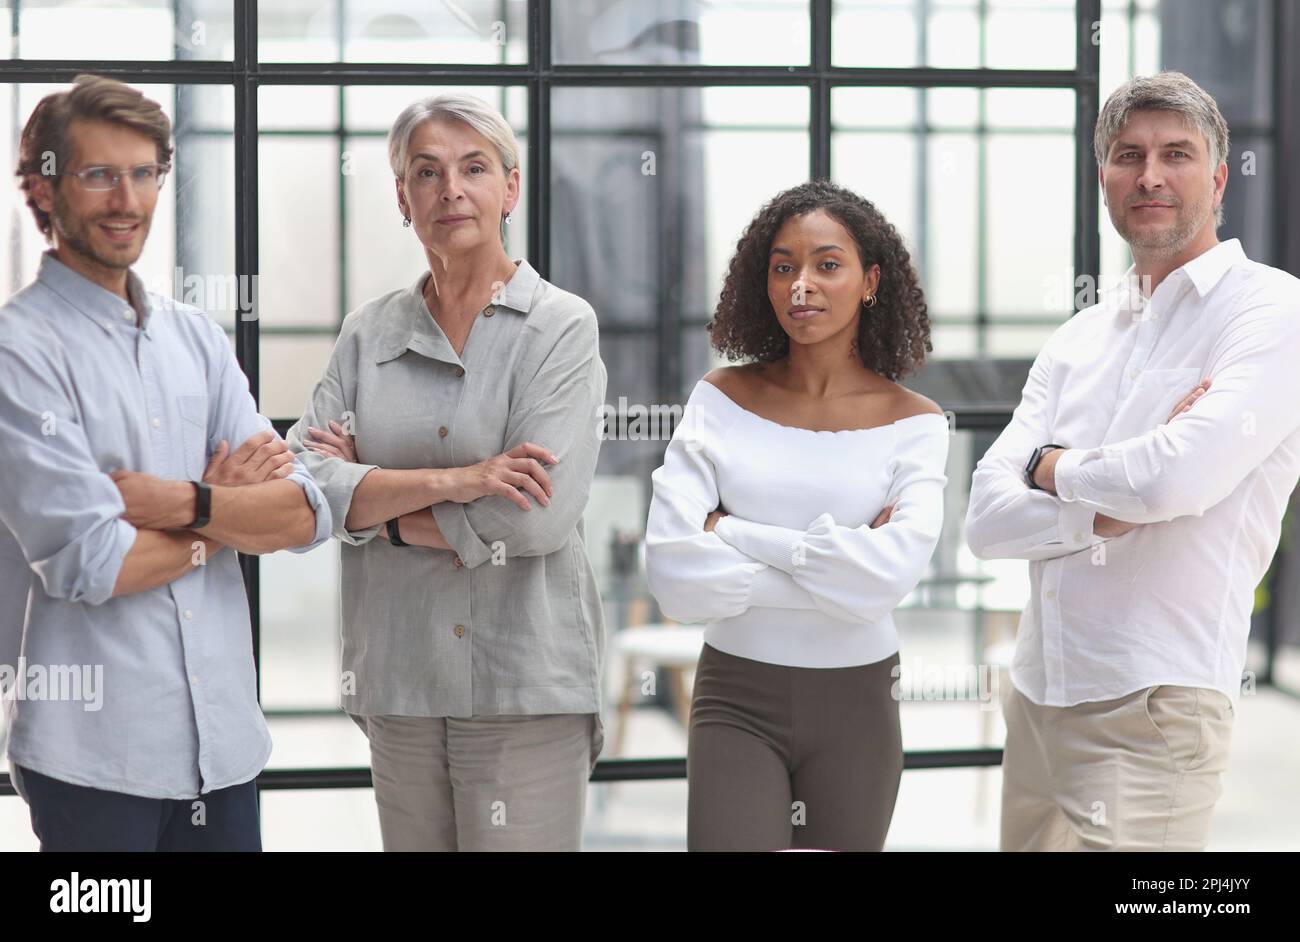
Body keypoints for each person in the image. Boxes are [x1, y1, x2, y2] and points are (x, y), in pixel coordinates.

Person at [965, 70, 1300, 851]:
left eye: (1176, 154)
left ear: (1218, 180)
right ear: (1105, 179)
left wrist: (1051, 467)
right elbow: (984, 518)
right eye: (1129, 155)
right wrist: (1105, 509)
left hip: (1153, 702)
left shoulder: (1272, 309)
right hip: (1037, 694)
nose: (1150, 175)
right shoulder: (1078, 338)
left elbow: (1173, 478)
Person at [0, 74, 331, 851]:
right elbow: (92, 564)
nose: (127, 200)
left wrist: (179, 503)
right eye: (98, 174)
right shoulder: (19, 352)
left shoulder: (197, 340)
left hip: (224, 752)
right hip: (94, 762)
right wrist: (221, 512)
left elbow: (302, 515)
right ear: (42, 190)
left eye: (144, 173)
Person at [287, 93, 607, 852]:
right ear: (403, 198)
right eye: (426, 172)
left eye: (474, 169)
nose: (450, 190)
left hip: (523, 681)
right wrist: (456, 481)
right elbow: (304, 478)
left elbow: (533, 519)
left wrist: (375, 508)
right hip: (400, 674)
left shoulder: (560, 327)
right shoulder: (367, 334)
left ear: (511, 188)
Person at [644, 179, 949, 851]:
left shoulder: (917, 424)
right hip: (735, 696)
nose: (801, 285)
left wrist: (730, 532)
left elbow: (886, 581)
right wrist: (835, 574)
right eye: (783, 267)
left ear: (870, 282)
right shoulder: (720, 399)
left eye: (827, 264)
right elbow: (670, 570)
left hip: (858, 704)